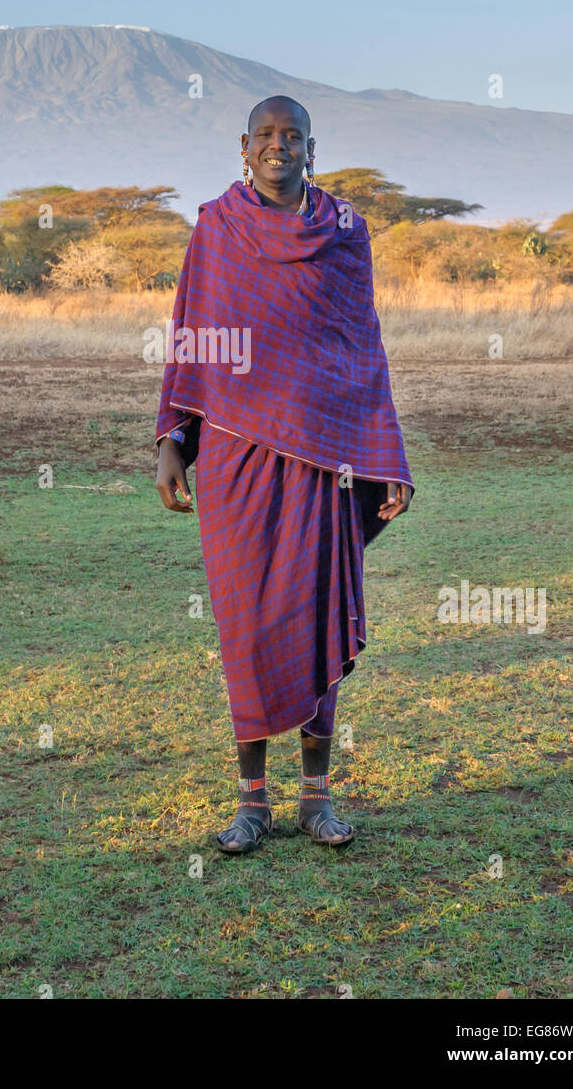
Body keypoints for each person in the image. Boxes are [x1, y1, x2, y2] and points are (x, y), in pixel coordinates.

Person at [155, 96, 413, 853]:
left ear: (310, 147)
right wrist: (173, 438)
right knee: (248, 625)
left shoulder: (344, 233)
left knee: (315, 612)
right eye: (266, 135)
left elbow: (361, 349)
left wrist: (384, 453)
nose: (279, 146)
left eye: (291, 135)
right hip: (236, 458)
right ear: (245, 147)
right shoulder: (217, 228)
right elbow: (193, 340)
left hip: (324, 461)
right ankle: (251, 803)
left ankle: (317, 799)